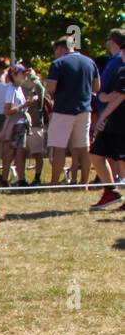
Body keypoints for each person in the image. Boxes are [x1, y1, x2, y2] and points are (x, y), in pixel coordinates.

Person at [44, 36, 100, 192]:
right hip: (84, 110)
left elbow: (51, 88)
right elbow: (96, 87)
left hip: (63, 110)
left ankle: (54, 183)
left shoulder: (58, 63)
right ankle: (84, 184)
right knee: (83, 147)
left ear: (61, 48)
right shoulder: (90, 62)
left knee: (59, 147)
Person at [88, 55, 125, 209]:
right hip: (112, 122)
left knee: (123, 162)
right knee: (95, 153)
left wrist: (102, 116)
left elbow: (119, 96)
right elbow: (102, 94)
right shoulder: (119, 70)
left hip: (121, 122)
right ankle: (111, 191)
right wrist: (107, 97)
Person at [0, 64, 33, 188]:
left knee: (15, 152)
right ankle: (12, 179)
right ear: (14, 74)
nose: (25, 75)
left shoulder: (18, 88)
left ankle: (8, 179)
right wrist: (24, 105)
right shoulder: (11, 89)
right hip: (15, 125)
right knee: (13, 153)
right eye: (22, 73)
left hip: (20, 124)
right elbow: (7, 110)